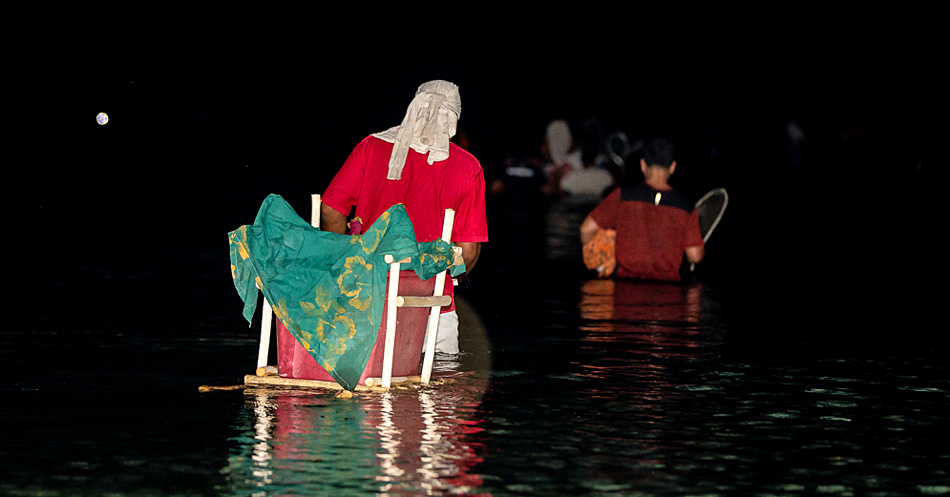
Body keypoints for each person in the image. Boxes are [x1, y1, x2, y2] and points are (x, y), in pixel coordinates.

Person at [320, 80, 488, 354]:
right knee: (437, 385)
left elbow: (330, 209)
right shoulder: (468, 167)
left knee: (365, 385)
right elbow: (467, 251)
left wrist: (346, 258)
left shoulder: (371, 147)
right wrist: (452, 274)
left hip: (367, 295)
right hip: (432, 303)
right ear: (453, 116)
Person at [579, 138, 703, 282]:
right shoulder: (685, 207)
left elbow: (586, 230)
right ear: (673, 167)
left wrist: (602, 260)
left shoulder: (622, 196)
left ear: (643, 165)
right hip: (667, 294)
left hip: (623, 290)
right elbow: (695, 256)